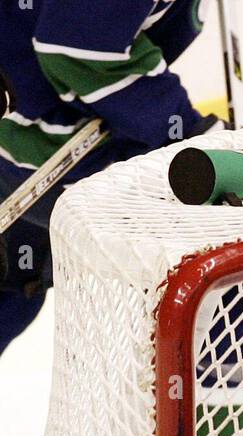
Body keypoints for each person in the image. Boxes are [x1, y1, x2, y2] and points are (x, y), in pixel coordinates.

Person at [0, 0, 218, 357]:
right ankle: (204, 404)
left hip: (23, 141)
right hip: (55, 157)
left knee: (13, 288)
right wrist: (184, 131)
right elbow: (75, 46)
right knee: (239, 271)